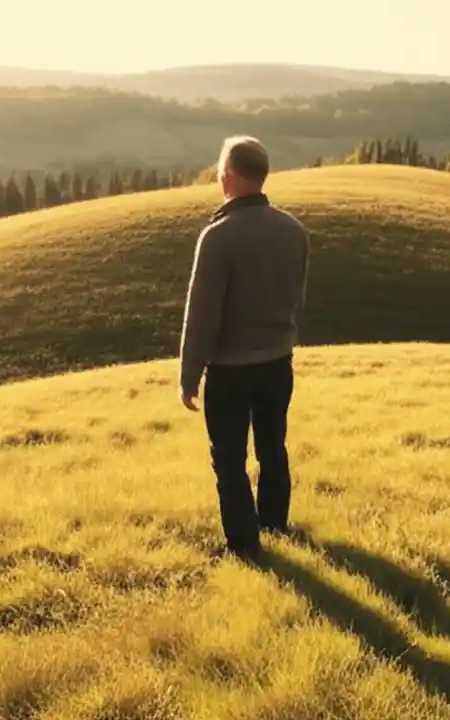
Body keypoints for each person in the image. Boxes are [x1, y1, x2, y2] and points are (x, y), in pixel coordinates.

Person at [178, 135, 311, 559]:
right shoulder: (294, 230)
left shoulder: (217, 237)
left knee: (230, 461)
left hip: (230, 371)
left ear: (230, 176)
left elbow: (202, 315)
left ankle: (244, 545)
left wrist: (189, 375)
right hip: (278, 362)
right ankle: (275, 525)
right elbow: (297, 296)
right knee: (273, 448)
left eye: (221, 170)